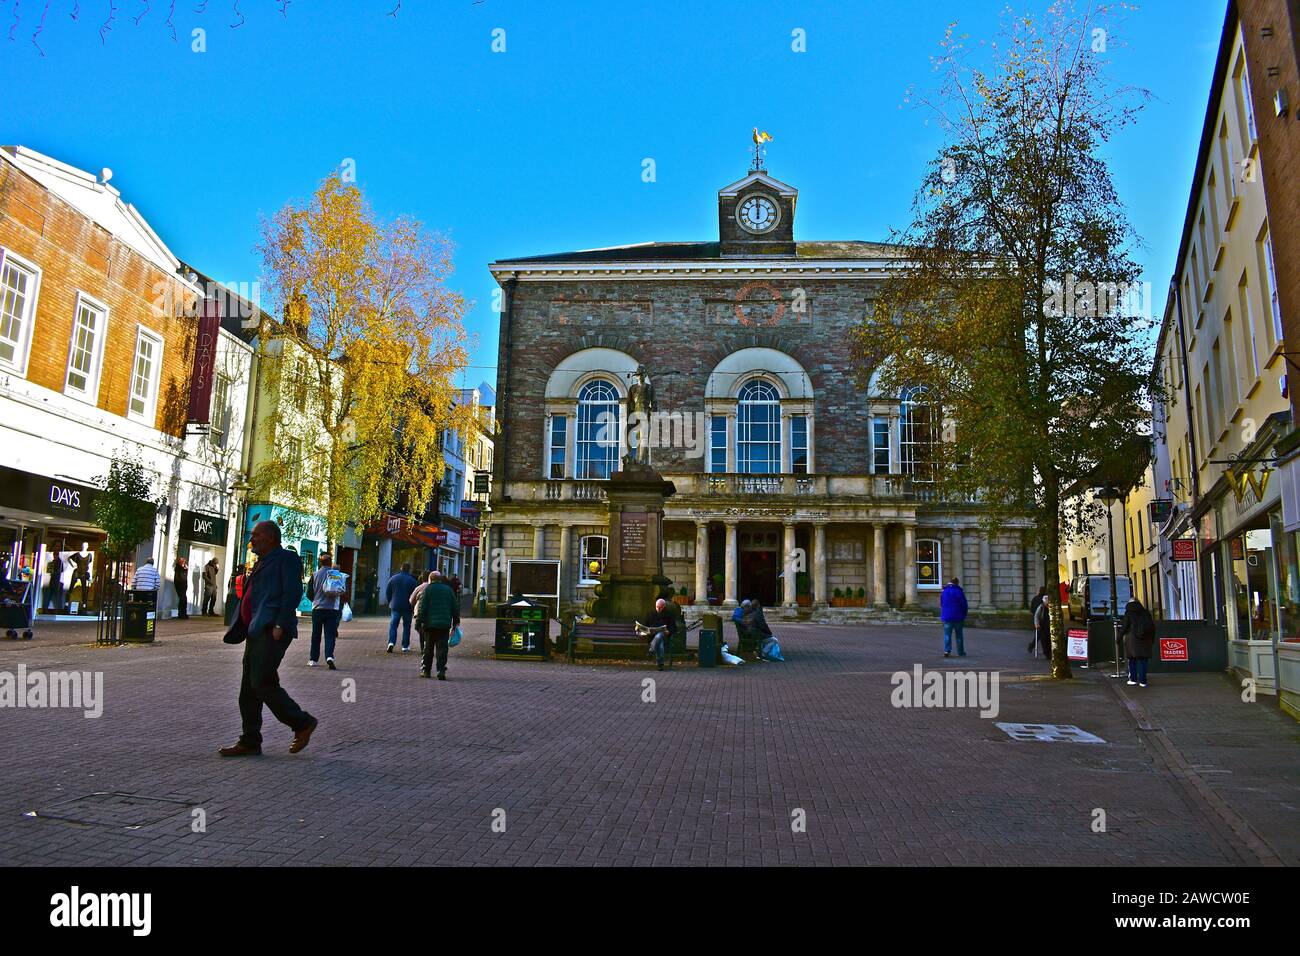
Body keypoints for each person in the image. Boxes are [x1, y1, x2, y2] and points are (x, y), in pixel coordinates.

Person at [219, 520, 318, 756]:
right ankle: (250, 740)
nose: (251, 540)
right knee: (248, 689)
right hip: (256, 630)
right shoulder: (262, 561)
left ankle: (302, 722)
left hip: (272, 630)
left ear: (271, 538)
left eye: (256, 535)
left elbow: (292, 592)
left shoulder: (287, 559)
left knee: (262, 683)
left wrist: (280, 623)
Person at [416, 570, 460, 680]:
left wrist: (418, 623)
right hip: (444, 624)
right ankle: (441, 670)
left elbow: (422, 608)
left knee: (428, 648)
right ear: (440, 579)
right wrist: (456, 621)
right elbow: (455, 607)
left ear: (430, 579)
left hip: (429, 625)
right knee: (442, 649)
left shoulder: (428, 590)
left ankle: (426, 671)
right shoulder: (448, 590)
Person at [307, 552, 343, 670]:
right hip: (331, 609)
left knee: (316, 634)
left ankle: (313, 659)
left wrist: (315, 600)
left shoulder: (315, 575)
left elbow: (309, 593)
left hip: (317, 609)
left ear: (320, 563)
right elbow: (341, 590)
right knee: (330, 634)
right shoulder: (335, 575)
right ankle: (329, 657)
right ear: (330, 562)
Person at [1120, 596, 1156, 687]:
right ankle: (1143, 681)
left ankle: (1133, 679)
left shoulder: (1128, 613)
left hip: (1132, 640)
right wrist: (1152, 640)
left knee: (1132, 660)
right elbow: (1152, 627)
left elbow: (1124, 627)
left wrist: (1118, 638)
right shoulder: (1146, 612)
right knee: (1143, 661)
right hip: (1145, 640)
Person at [385, 563, 419, 653]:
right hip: (407, 607)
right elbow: (415, 595)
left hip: (395, 606)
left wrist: (390, 602)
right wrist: (413, 606)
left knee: (393, 625)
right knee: (407, 626)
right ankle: (405, 646)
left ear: (401, 568)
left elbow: (388, 592)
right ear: (409, 569)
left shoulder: (393, 578)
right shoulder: (412, 580)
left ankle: (391, 642)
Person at [643, 597, 676, 671]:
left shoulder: (669, 615)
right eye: (657, 607)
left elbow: (673, 627)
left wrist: (669, 631)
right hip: (652, 637)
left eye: (660, 607)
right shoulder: (650, 613)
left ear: (664, 607)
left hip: (665, 636)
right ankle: (660, 664)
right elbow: (645, 625)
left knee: (660, 634)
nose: (658, 608)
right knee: (660, 645)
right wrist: (640, 629)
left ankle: (651, 650)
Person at [410, 571, 438, 653]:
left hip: (420, 611)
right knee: (430, 630)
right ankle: (429, 645)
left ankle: (423, 647)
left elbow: (411, 600)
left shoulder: (419, 587)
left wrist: (415, 604)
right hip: (432, 612)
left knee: (421, 630)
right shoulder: (434, 587)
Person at [940, 577, 968, 657]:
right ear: (957, 583)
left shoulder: (944, 591)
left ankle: (947, 651)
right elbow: (964, 605)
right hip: (958, 616)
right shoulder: (959, 592)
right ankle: (960, 652)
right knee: (959, 635)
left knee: (947, 635)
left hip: (947, 616)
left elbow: (942, 604)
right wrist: (964, 614)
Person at [1033, 594, 1055, 659]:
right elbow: (1036, 616)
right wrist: (1036, 624)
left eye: (1048, 602)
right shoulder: (1041, 607)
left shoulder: (1052, 607)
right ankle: (1046, 653)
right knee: (1044, 640)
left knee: (1049, 640)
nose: (1047, 604)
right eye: (1046, 602)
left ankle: (1049, 652)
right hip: (1042, 626)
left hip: (1050, 625)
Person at [1028, 585, 1048, 653]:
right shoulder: (1045, 599)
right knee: (1042, 636)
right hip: (1043, 620)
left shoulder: (1035, 598)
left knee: (1039, 635)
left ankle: (1031, 646)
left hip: (1037, 619)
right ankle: (1045, 651)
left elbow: (1032, 610)